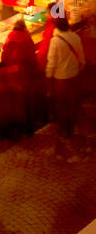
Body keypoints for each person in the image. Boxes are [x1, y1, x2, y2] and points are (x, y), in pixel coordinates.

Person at [46, 16, 85, 158]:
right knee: (72, 103)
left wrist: (49, 77)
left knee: (62, 105)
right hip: (73, 77)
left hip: (60, 79)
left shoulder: (55, 41)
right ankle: (71, 128)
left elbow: (51, 62)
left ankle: (65, 130)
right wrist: (78, 70)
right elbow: (82, 58)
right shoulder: (75, 37)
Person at [0, 19, 41, 135]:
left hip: (14, 75)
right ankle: (30, 126)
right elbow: (32, 54)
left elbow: (4, 55)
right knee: (28, 100)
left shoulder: (10, 37)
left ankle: (20, 126)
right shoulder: (27, 37)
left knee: (18, 101)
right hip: (27, 73)